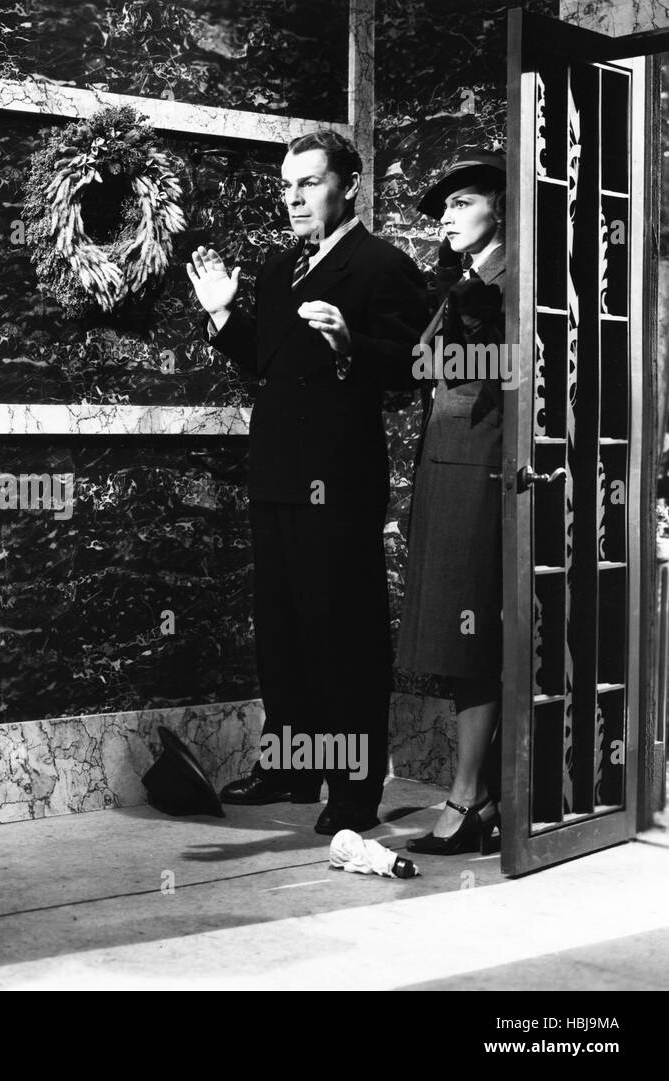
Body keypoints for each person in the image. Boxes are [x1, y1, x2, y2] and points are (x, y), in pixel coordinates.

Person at [187, 131, 427, 834]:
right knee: (283, 632)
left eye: (309, 183)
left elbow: (416, 364)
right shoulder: (276, 265)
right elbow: (270, 363)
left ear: (348, 184)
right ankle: (290, 767)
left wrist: (355, 345)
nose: (293, 199)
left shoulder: (383, 266)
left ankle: (353, 794)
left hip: (341, 480)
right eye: (287, 186)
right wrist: (224, 315)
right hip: (276, 476)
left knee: (344, 635)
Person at [397, 152, 508, 855]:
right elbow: (424, 366)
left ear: (501, 205)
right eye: (445, 206)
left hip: (481, 470)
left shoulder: (507, 279)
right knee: (453, 638)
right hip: (450, 467)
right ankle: (477, 792)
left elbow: (511, 365)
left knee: (471, 642)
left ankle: (469, 796)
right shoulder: (466, 280)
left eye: (462, 202)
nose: (446, 215)